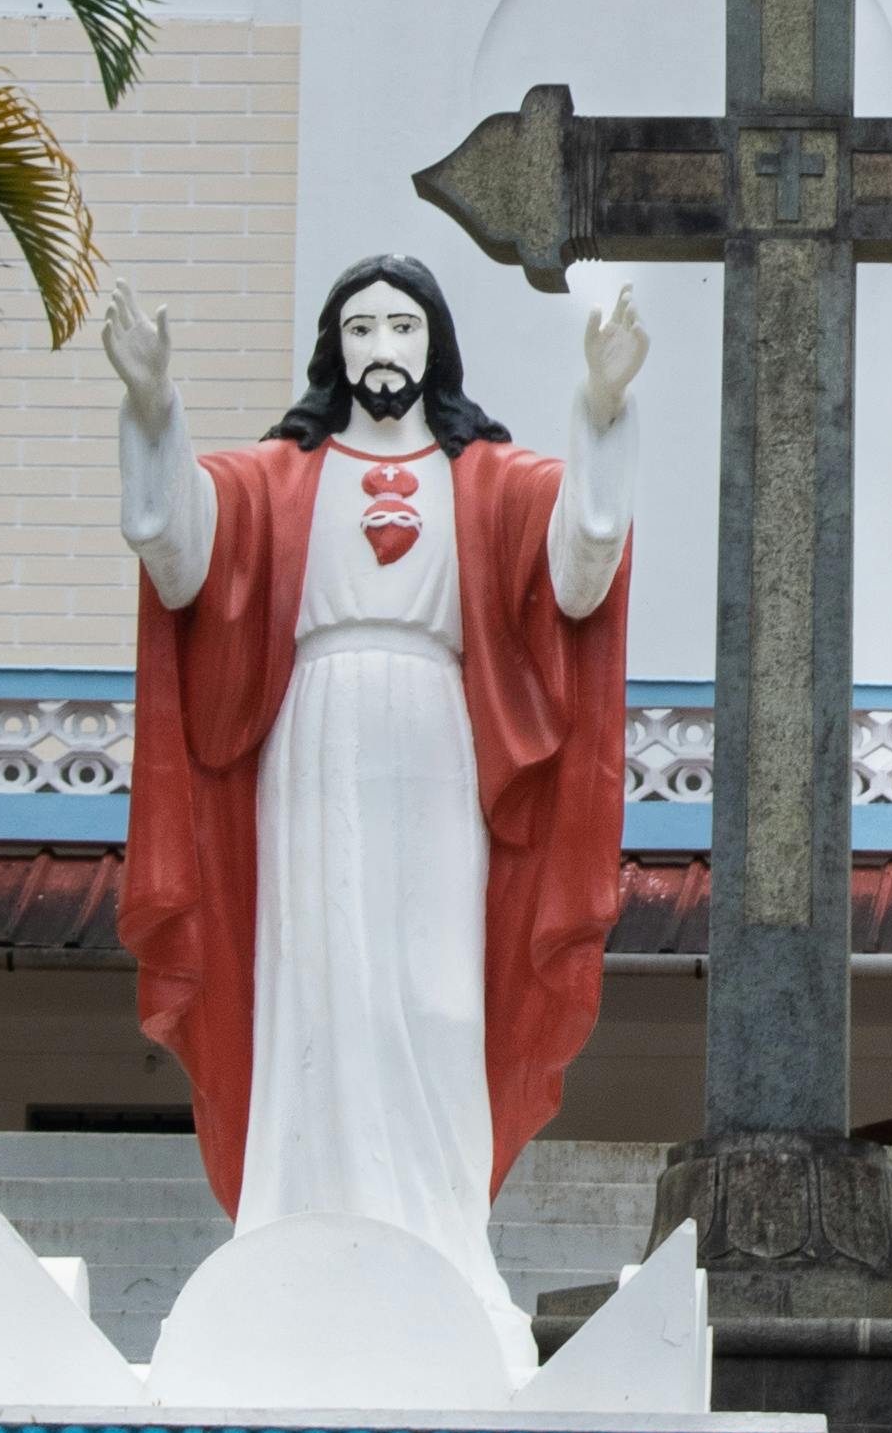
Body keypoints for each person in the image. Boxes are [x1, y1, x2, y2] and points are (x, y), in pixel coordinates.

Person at [107, 250, 645, 1286]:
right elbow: (174, 551)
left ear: (435, 343)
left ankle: (439, 1241)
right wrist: (152, 402)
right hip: (313, 734)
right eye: (361, 327)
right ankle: (298, 1228)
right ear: (333, 347)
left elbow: (582, 574)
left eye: (402, 326)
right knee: (319, 975)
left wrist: (601, 403)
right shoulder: (271, 479)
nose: (382, 347)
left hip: (438, 736)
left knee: (436, 986)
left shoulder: (490, 477)